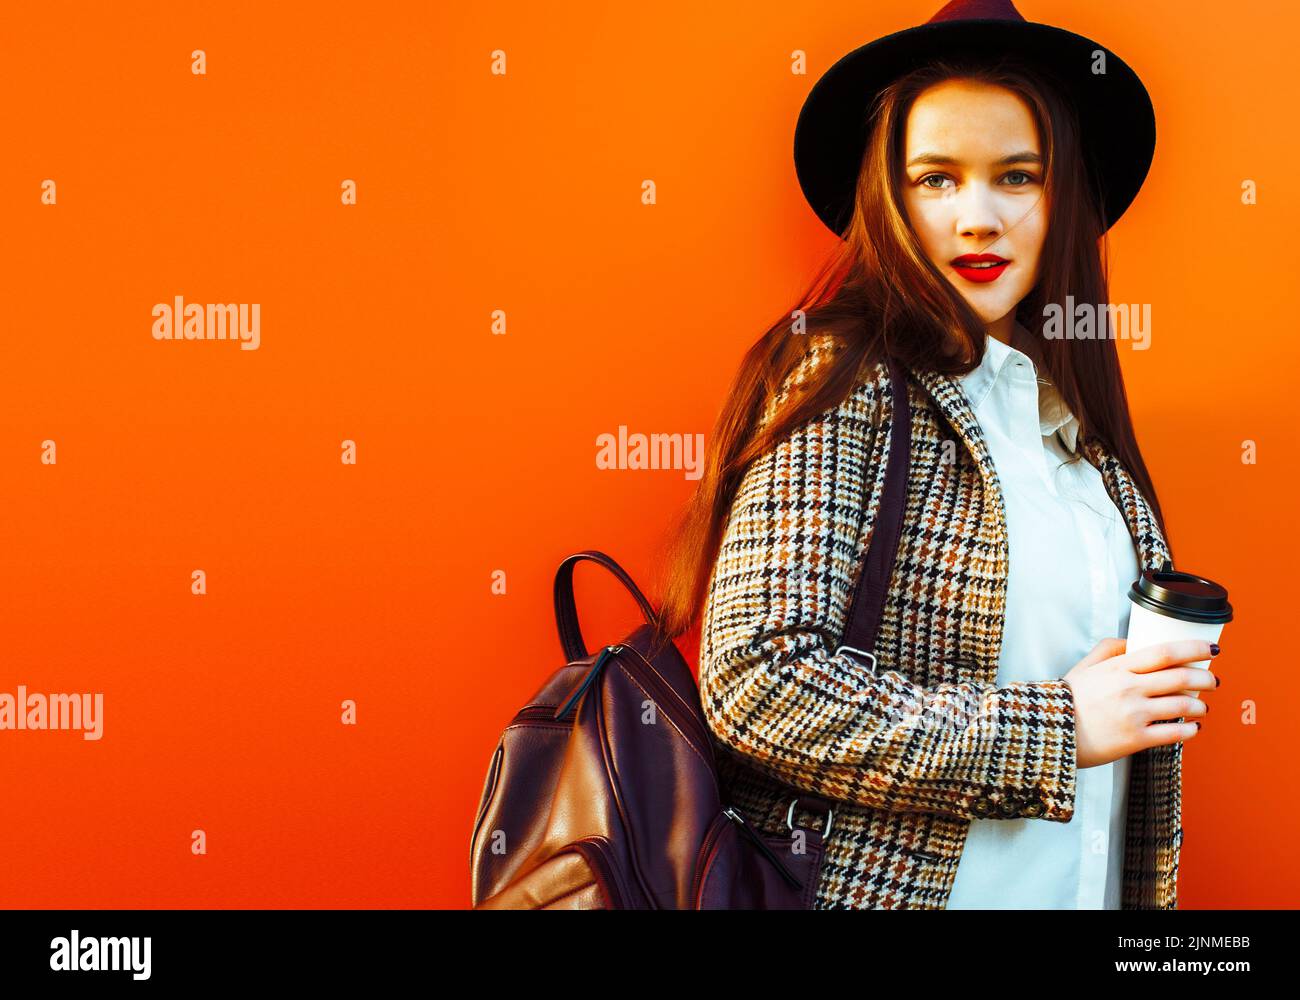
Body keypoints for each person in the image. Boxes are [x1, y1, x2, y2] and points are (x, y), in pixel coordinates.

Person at [650, 0, 1220, 909]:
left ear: (1063, 194)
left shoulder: (1075, 425)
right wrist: (1059, 728)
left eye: (1017, 176)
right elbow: (758, 678)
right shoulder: (847, 375)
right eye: (937, 179)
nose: (979, 218)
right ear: (891, 196)